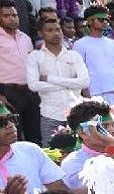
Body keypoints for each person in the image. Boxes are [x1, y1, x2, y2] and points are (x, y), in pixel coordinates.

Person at [25, 17, 89, 146]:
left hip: (75, 113)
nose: (55, 33)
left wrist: (49, 78)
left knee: (81, 149)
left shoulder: (73, 55)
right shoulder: (35, 57)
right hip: (50, 114)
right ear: (40, 33)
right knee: (52, 153)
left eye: (58, 29)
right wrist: (69, 84)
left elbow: (84, 82)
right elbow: (33, 85)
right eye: (49, 30)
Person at [73, 5, 114, 106]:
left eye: (106, 19)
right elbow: (80, 73)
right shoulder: (79, 45)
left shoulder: (113, 44)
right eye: (101, 19)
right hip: (95, 95)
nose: (105, 22)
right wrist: (88, 100)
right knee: (99, 118)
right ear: (90, 21)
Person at [0, 0, 42, 145]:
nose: (12, 19)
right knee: (14, 137)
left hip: (30, 92)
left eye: (14, 15)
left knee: (35, 136)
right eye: (6, 16)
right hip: (9, 94)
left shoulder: (25, 38)